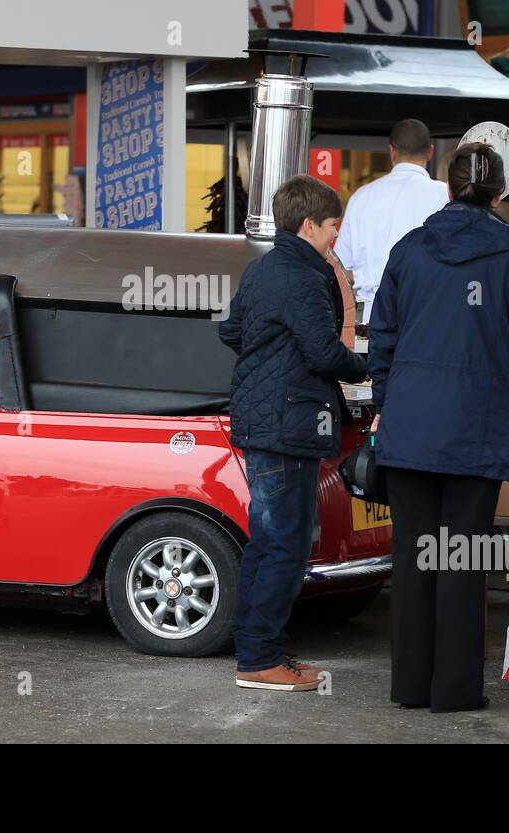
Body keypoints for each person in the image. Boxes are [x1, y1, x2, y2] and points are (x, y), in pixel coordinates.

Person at [368, 143, 509, 713]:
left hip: (410, 429)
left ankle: (410, 686)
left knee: (412, 557)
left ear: (447, 188)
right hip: (478, 430)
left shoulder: (409, 250)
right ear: (499, 195)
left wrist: (388, 399)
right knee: (461, 559)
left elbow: (383, 337)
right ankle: (453, 690)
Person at [219, 175, 369, 692]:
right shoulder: (304, 277)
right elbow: (324, 353)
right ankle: (261, 660)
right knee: (285, 544)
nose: (335, 236)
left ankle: (258, 652)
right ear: (309, 225)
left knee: (266, 540)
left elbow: (231, 331)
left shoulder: (262, 268)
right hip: (289, 424)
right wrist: (367, 365)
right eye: (332, 227)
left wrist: (266, 361)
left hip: (262, 422)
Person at [334, 119, 448, 322]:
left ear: (392, 152)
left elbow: (342, 266)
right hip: (428, 315)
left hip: (372, 317)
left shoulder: (362, 197)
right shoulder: (445, 195)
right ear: (430, 152)